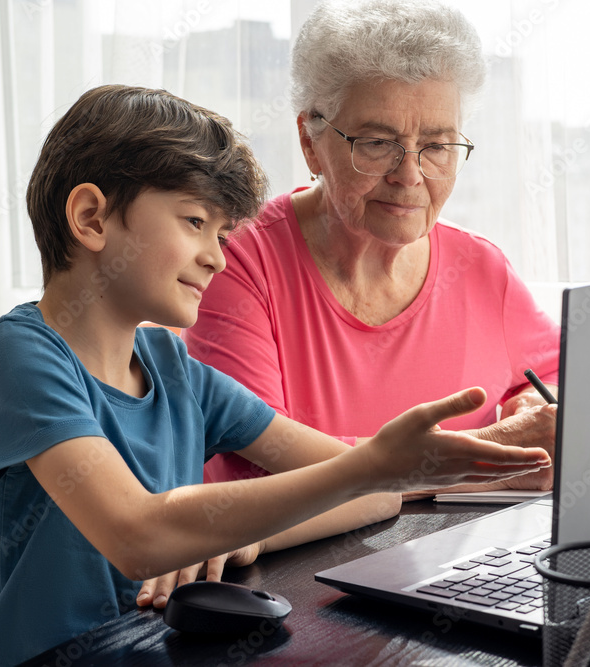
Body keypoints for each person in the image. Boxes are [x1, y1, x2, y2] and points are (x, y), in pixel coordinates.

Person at [0, 85, 551, 667]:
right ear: (93, 218)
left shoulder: (175, 371)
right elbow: (136, 536)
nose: (218, 257)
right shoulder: (18, 359)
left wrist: (365, 480)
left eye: (226, 234)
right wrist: (370, 468)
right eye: (195, 223)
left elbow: (363, 492)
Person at [185, 0, 561, 498]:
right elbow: (271, 468)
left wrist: (536, 408)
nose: (409, 175)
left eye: (438, 145)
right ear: (310, 141)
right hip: (292, 569)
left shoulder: (481, 266)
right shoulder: (239, 261)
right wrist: (492, 448)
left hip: (451, 563)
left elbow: (556, 378)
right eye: (377, 143)